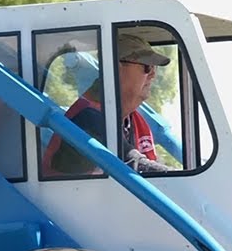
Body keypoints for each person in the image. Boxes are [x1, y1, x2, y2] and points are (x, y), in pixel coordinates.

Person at [42, 33, 173, 176]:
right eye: (147, 67)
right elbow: (137, 166)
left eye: (155, 68)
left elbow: (154, 172)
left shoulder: (136, 121)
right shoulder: (87, 118)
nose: (153, 74)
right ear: (115, 68)